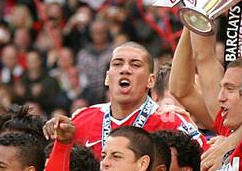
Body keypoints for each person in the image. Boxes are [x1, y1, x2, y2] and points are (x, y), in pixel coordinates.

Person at [70, 41, 202, 153]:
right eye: (117, 64)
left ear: (150, 81)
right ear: (107, 78)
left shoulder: (172, 122)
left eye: (135, 65)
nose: (125, 69)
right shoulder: (81, 121)